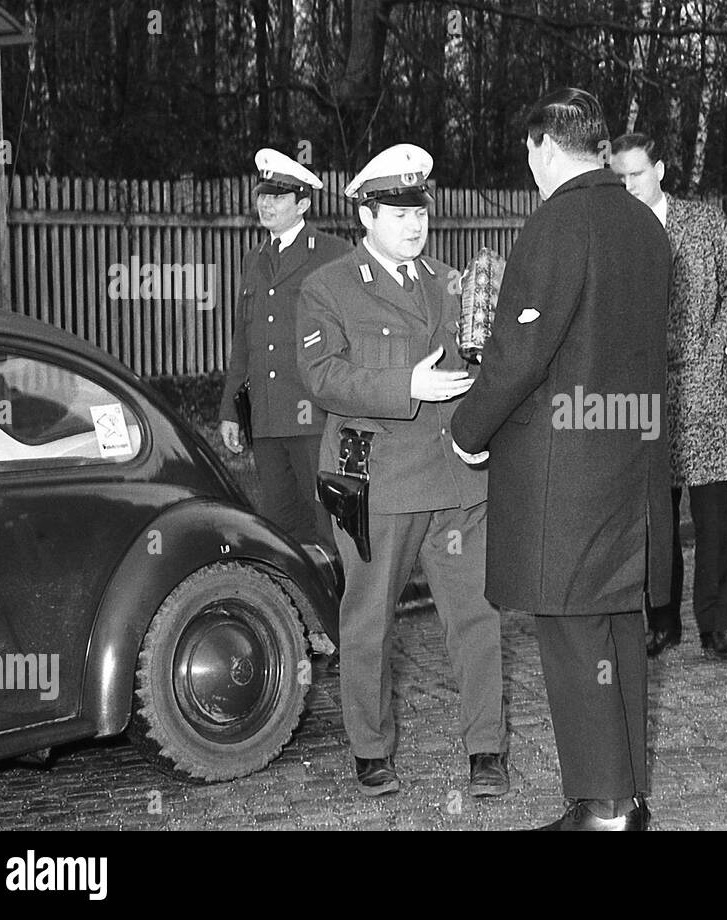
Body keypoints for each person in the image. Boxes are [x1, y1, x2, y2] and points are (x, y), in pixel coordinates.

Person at [450, 89, 672, 831]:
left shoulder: (556, 223)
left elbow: (518, 354)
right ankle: (628, 799)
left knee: (574, 638)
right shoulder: (644, 224)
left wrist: (468, 428)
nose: (530, 169)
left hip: (565, 474)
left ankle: (602, 810)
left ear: (545, 146)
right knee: (616, 632)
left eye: (529, 156)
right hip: (630, 460)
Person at [295, 143, 509, 799]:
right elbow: (323, 377)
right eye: (396, 211)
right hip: (378, 481)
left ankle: (485, 750)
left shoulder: (451, 282)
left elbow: (480, 370)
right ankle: (369, 747)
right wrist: (404, 384)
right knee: (369, 622)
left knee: (476, 619)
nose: (413, 223)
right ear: (364, 215)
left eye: (419, 208)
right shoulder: (328, 286)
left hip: (456, 479)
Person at [610, 132, 727, 662]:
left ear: (661, 170)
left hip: (705, 392)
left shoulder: (705, 222)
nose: (627, 185)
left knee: (714, 518)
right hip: (644, 394)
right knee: (655, 517)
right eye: (619, 176)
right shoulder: (615, 231)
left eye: (636, 174)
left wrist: (715, 348)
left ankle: (715, 625)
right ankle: (661, 621)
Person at [218, 149, 348, 552]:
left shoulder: (332, 254)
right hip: (268, 418)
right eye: (262, 195)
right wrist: (229, 411)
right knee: (280, 532)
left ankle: (339, 611)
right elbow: (245, 338)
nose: (265, 204)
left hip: (313, 418)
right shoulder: (254, 259)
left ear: (303, 203)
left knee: (327, 525)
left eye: (277, 197)